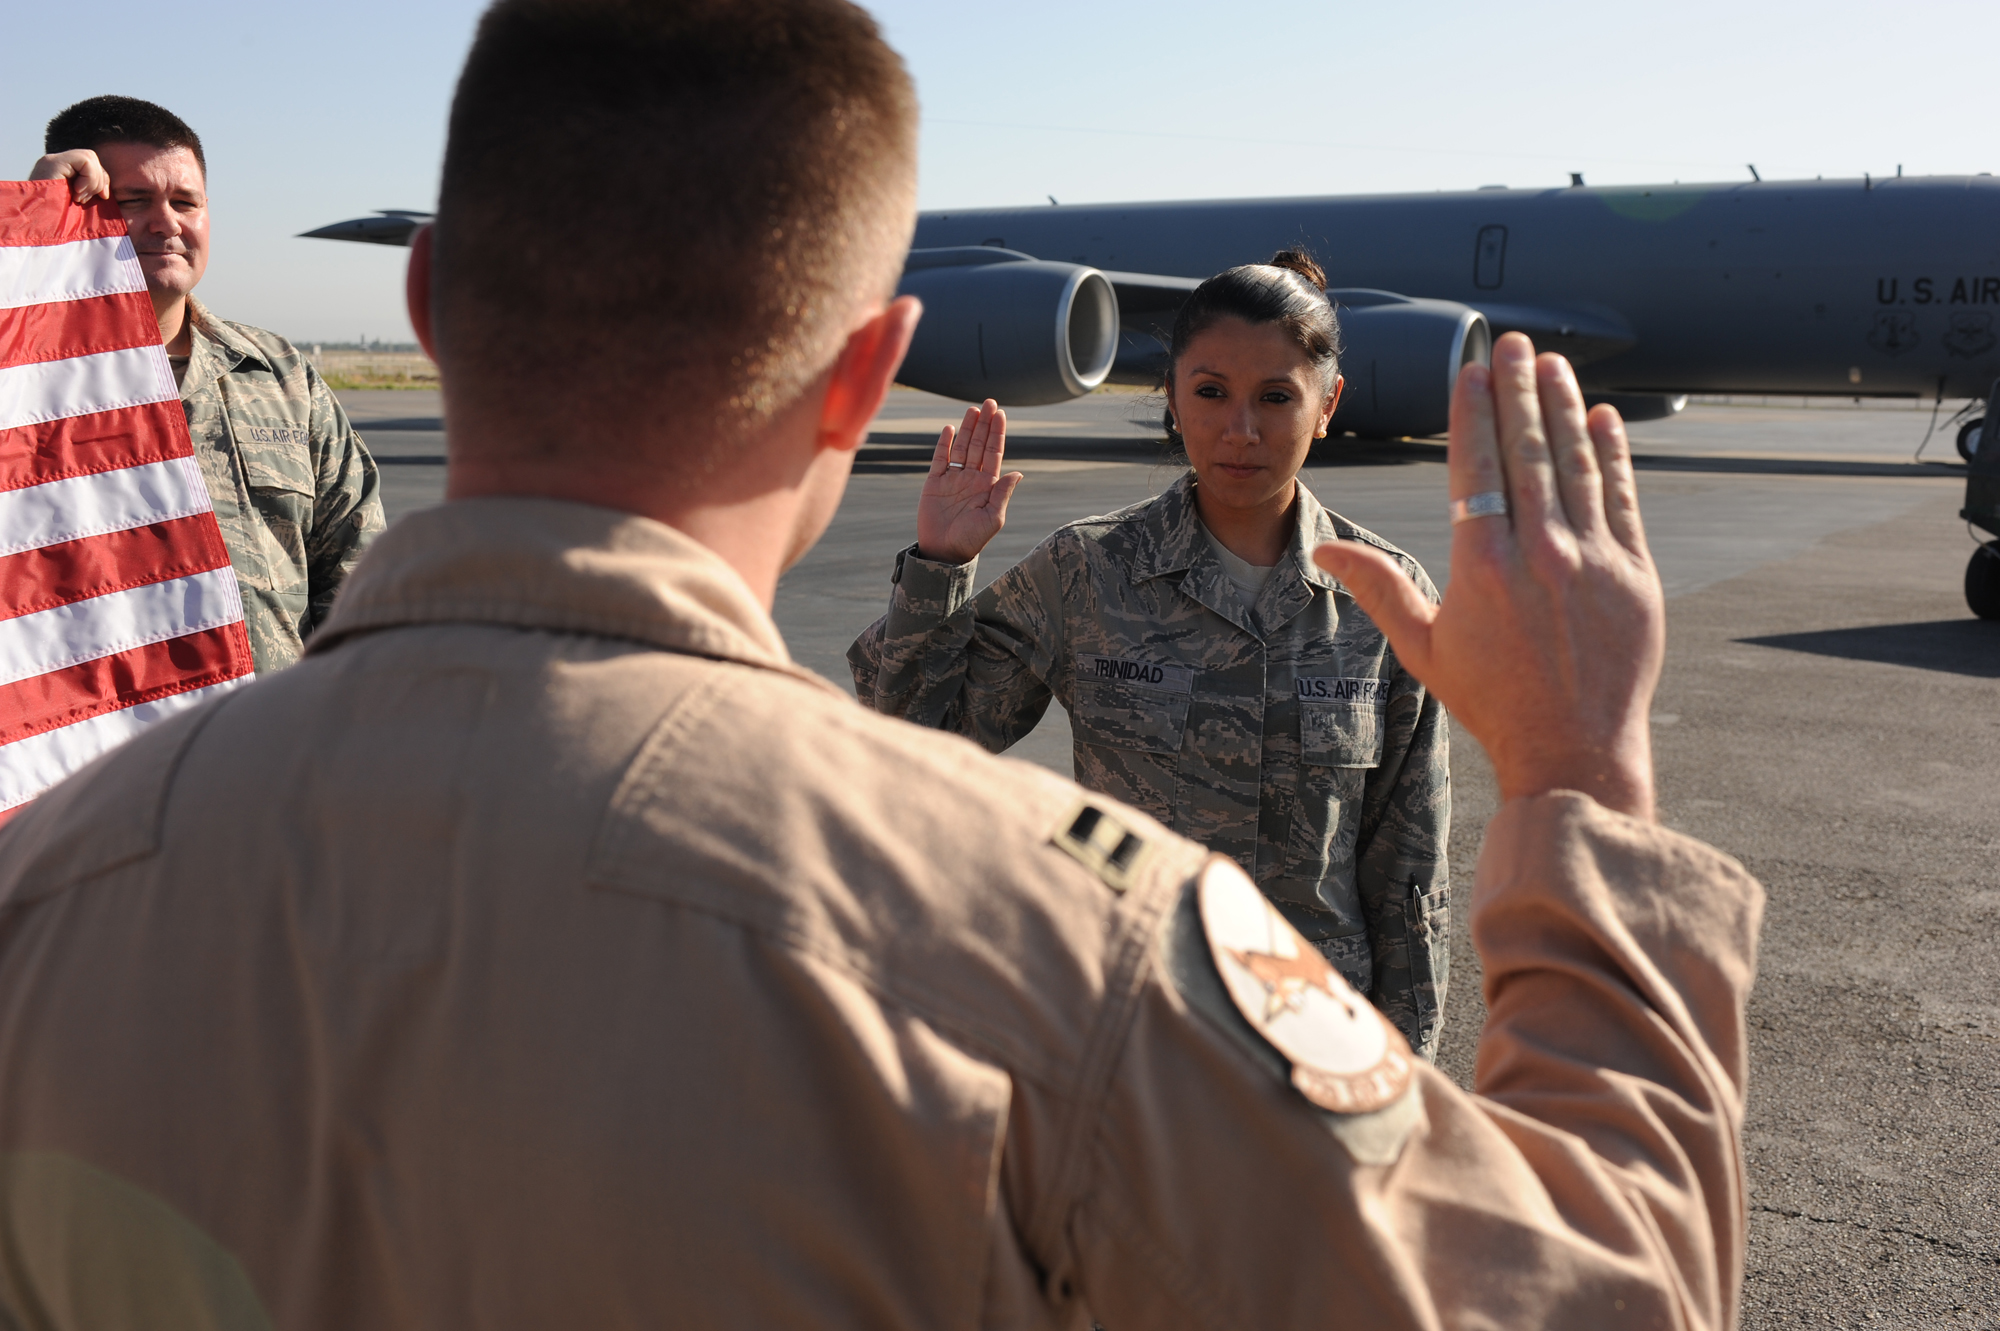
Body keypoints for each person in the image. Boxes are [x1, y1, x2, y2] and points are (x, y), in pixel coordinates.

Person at [0, 1, 1762, 1327]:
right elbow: (1598, 1290)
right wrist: (1582, 782)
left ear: (435, 308)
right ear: (872, 374)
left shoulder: (52, 893)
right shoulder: (1075, 950)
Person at [849, 259, 1451, 1058]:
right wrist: (939, 567)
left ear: (1327, 404)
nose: (1241, 429)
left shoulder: (1386, 596)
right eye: (1210, 392)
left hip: (1315, 1034)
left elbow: (1410, 871)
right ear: (1170, 396)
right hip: (1127, 1030)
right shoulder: (1088, 569)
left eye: (1276, 396)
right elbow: (918, 745)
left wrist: (1406, 1075)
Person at [28, 97, 384, 674]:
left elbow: (356, 573)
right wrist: (28, 225)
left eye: (185, 202)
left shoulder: (278, 373)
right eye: (133, 201)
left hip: (269, 741)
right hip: (97, 753)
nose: (166, 222)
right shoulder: (24, 379)